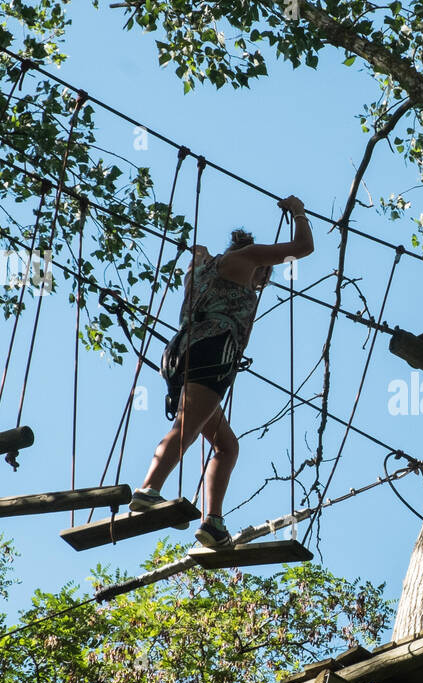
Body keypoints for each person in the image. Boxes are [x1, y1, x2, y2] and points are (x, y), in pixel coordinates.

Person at [131, 195, 313, 549]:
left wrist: (201, 252)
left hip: (181, 354)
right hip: (212, 353)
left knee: (227, 446)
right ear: (259, 262)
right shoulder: (246, 258)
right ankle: (149, 488)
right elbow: (302, 247)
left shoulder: (201, 267)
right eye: (264, 275)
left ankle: (212, 523)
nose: (259, 283)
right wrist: (298, 211)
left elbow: (197, 251)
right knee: (186, 425)